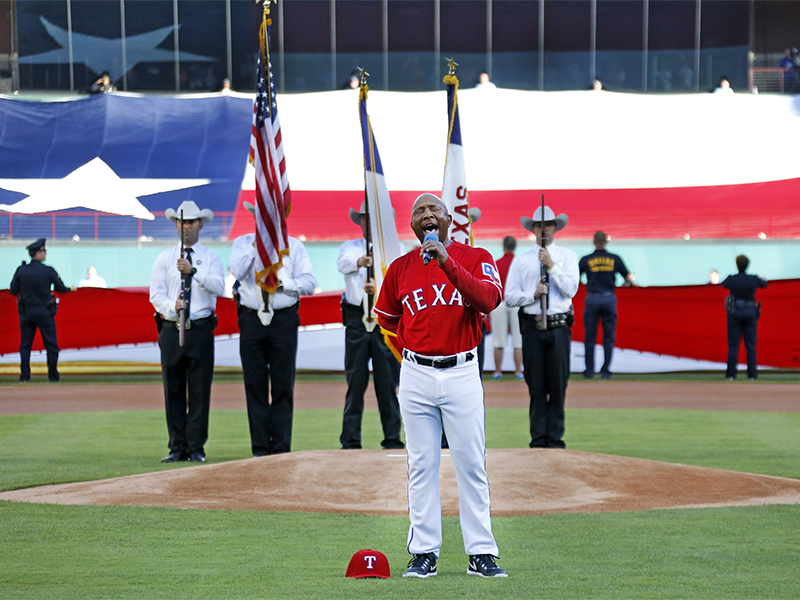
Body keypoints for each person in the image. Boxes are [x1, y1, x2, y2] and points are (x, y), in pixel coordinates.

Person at [375, 193, 507, 579]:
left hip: (462, 369)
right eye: (419, 211)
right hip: (416, 372)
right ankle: (423, 552)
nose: (427, 214)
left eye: (434, 209)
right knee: (421, 464)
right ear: (413, 225)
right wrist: (415, 348)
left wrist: (447, 261)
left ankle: (481, 553)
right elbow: (387, 319)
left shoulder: (476, 257)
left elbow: (487, 300)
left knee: (470, 463)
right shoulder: (400, 267)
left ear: (449, 219)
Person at [230, 202, 316, 456]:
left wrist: (282, 285)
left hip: (283, 318)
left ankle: (280, 448)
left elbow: (309, 284)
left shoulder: (294, 246)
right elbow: (237, 271)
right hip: (251, 318)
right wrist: (260, 249)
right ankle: (260, 448)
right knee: (254, 385)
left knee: (282, 386)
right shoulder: (242, 243)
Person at [150, 201, 225, 463]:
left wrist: (194, 272)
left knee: (199, 390)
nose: (186, 227)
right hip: (172, 328)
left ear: (200, 225)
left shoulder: (211, 258)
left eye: (192, 222)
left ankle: (196, 447)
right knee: (173, 389)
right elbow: (156, 295)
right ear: (176, 225)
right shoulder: (164, 259)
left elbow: (219, 286)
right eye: (182, 222)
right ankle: (177, 447)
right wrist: (173, 305)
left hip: (200, 328)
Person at [505, 205, 579, 449]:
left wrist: (552, 266)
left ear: (555, 228)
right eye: (540, 225)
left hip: (558, 328)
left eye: (549, 225)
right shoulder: (521, 260)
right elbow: (510, 297)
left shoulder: (568, 257)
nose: (544, 229)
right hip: (532, 328)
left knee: (558, 386)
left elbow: (571, 289)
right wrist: (532, 294)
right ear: (533, 229)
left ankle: (555, 439)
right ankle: (538, 439)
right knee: (535, 385)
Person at [338, 202, 404, 450]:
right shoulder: (350, 247)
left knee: (388, 383)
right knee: (355, 383)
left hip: (384, 320)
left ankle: (392, 437)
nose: (369, 224)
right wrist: (361, 261)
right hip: (356, 318)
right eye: (365, 219)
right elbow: (343, 264)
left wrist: (378, 286)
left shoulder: (397, 249)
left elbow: (400, 279)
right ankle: (351, 439)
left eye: (372, 219)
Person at [9, 238, 73, 383]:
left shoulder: (21, 270)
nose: (45, 253)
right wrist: (71, 289)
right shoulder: (48, 270)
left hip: (26, 313)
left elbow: (13, 291)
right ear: (37, 253)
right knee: (51, 345)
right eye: (44, 251)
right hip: (45, 312)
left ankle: (25, 376)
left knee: (25, 346)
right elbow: (61, 288)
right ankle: (53, 376)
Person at [578, 231, 635, 380]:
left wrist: (585, 284)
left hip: (592, 298)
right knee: (608, 337)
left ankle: (589, 371)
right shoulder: (614, 259)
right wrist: (630, 285)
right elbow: (628, 278)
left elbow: (575, 279)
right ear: (606, 242)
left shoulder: (586, 259)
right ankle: (605, 371)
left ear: (594, 242)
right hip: (609, 298)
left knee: (590, 337)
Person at [721, 255, 767, 381]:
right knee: (750, 345)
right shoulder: (753, 279)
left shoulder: (732, 279)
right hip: (750, 312)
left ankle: (730, 374)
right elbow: (764, 284)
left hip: (734, 312)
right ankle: (752, 375)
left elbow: (723, 284)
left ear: (737, 265)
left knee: (733, 345)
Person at [489, 236, 523, 380]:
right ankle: (518, 371)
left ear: (503, 246)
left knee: (498, 340)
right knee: (518, 341)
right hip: (515, 302)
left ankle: (497, 371)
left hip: (500, 302)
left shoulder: (496, 264)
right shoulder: (519, 264)